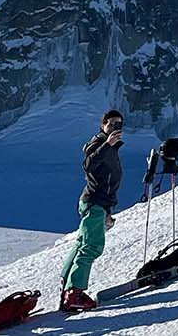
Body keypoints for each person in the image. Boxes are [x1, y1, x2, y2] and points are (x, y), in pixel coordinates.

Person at [59, 110, 126, 312]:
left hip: (96, 203)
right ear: (103, 125)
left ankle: (68, 286)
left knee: (82, 243)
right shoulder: (99, 144)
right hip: (95, 203)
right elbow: (88, 164)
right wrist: (107, 145)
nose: (116, 128)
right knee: (92, 246)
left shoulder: (109, 146)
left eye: (119, 125)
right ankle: (74, 293)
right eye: (112, 124)